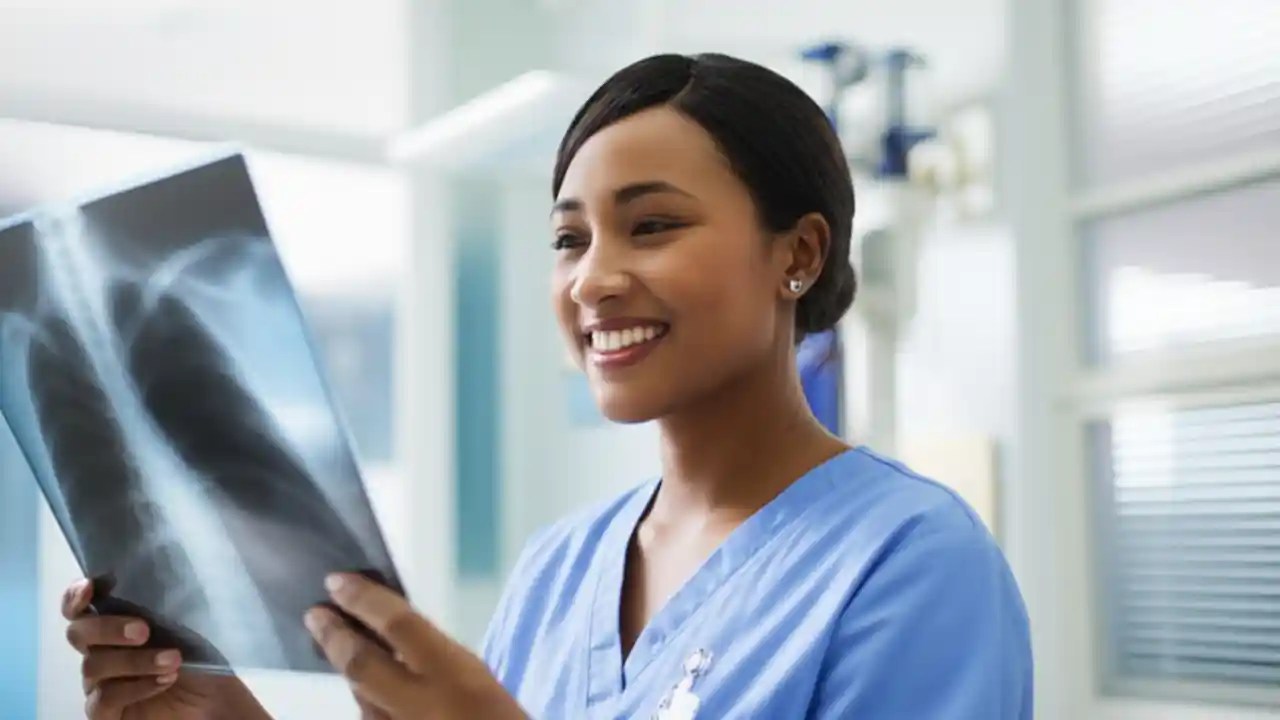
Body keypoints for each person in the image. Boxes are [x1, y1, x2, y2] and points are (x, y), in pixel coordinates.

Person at [61, 52, 1033, 719]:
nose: (592, 278)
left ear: (798, 252)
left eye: (651, 225)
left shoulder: (910, 564)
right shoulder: (559, 571)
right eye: (568, 239)